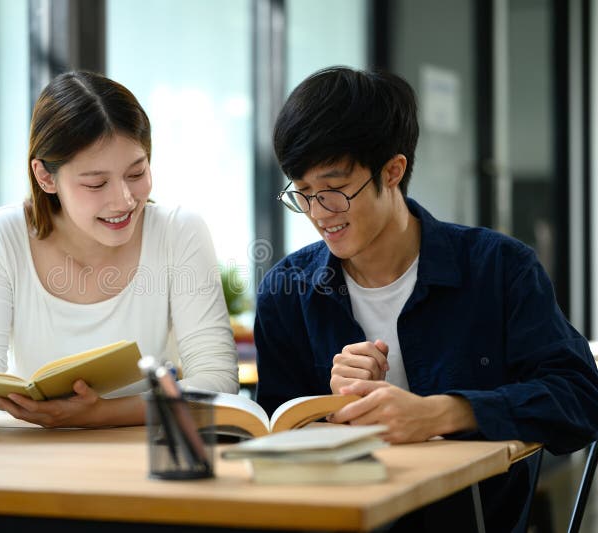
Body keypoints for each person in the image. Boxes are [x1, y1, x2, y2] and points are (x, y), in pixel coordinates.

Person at [254, 66, 598, 532]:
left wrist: (443, 412)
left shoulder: (499, 269)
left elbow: (581, 397)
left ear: (392, 171)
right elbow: (274, 434)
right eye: (304, 193)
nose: (319, 214)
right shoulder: (286, 291)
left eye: (334, 190)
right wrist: (330, 412)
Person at [0, 70, 239, 427]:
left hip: (140, 453)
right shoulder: (0, 238)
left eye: (136, 173)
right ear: (45, 176)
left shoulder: (178, 232)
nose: (124, 200)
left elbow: (218, 382)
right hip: (36, 455)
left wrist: (102, 413)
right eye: (96, 183)